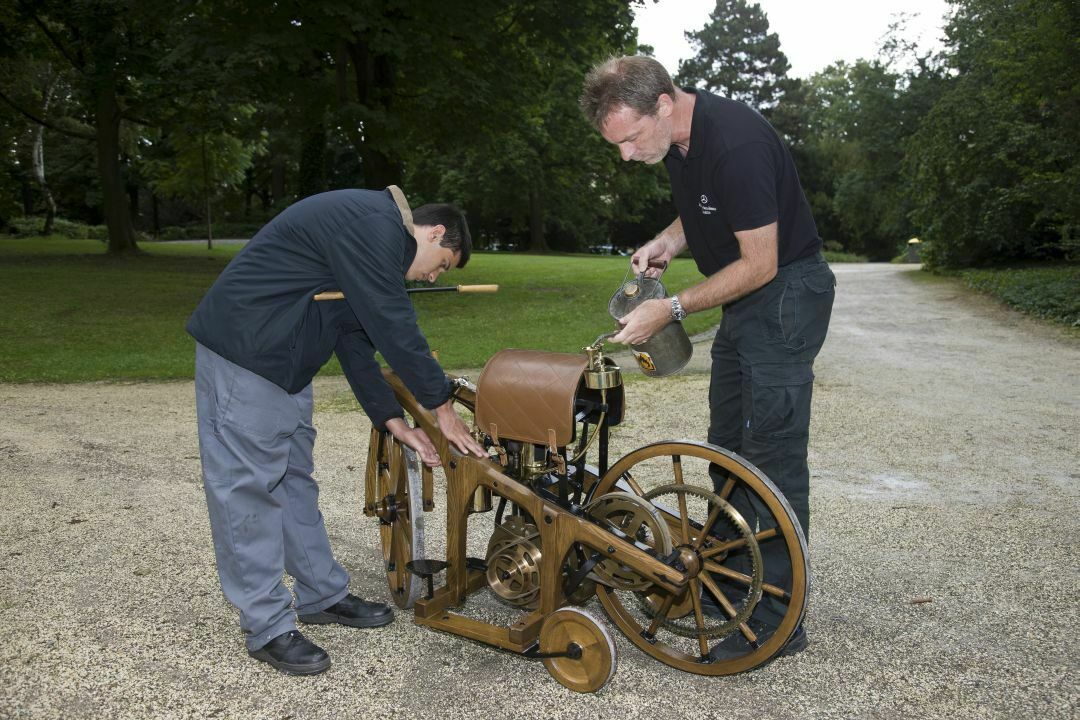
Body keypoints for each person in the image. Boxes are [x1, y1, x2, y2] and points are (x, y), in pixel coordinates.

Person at [581, 56, 835, 656]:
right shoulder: (679, 144)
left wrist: (669, 310)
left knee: (769, 456)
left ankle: (776, 619)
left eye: (630, 138)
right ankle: (728, 578)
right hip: (749, 300)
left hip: (785, 293)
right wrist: (668, 241)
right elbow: (705, 210)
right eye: (614, 143)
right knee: (728, 447)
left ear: (664, 104)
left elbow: (762, 262)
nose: (625, 155)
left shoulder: (736, 144)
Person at [186, 186, 487, 675]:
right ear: (433, 232)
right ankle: (266, 626)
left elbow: (354, 336)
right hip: (245, 355)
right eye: (443, 262)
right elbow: (394, 321)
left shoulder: (368, 240)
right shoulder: (375, 225)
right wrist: (441, 409)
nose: (434, 275)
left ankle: (320, 596)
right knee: (247, 492)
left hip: (284, 363)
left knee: (292, 483)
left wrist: (391, 418)